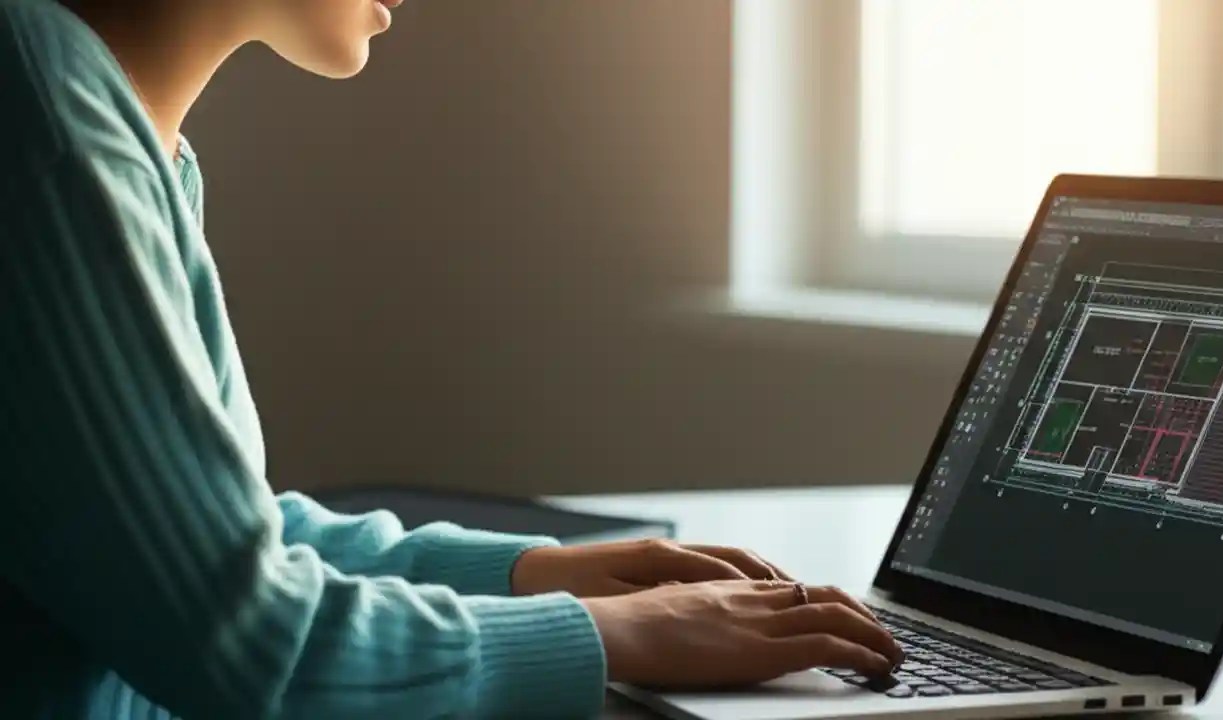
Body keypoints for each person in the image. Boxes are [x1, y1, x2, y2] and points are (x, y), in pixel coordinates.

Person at [0, 0, 904, 717]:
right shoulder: (44, 109)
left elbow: (195, 547)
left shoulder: (118, 130)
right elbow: (243, 643)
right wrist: (603, 634)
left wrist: (532, 573)